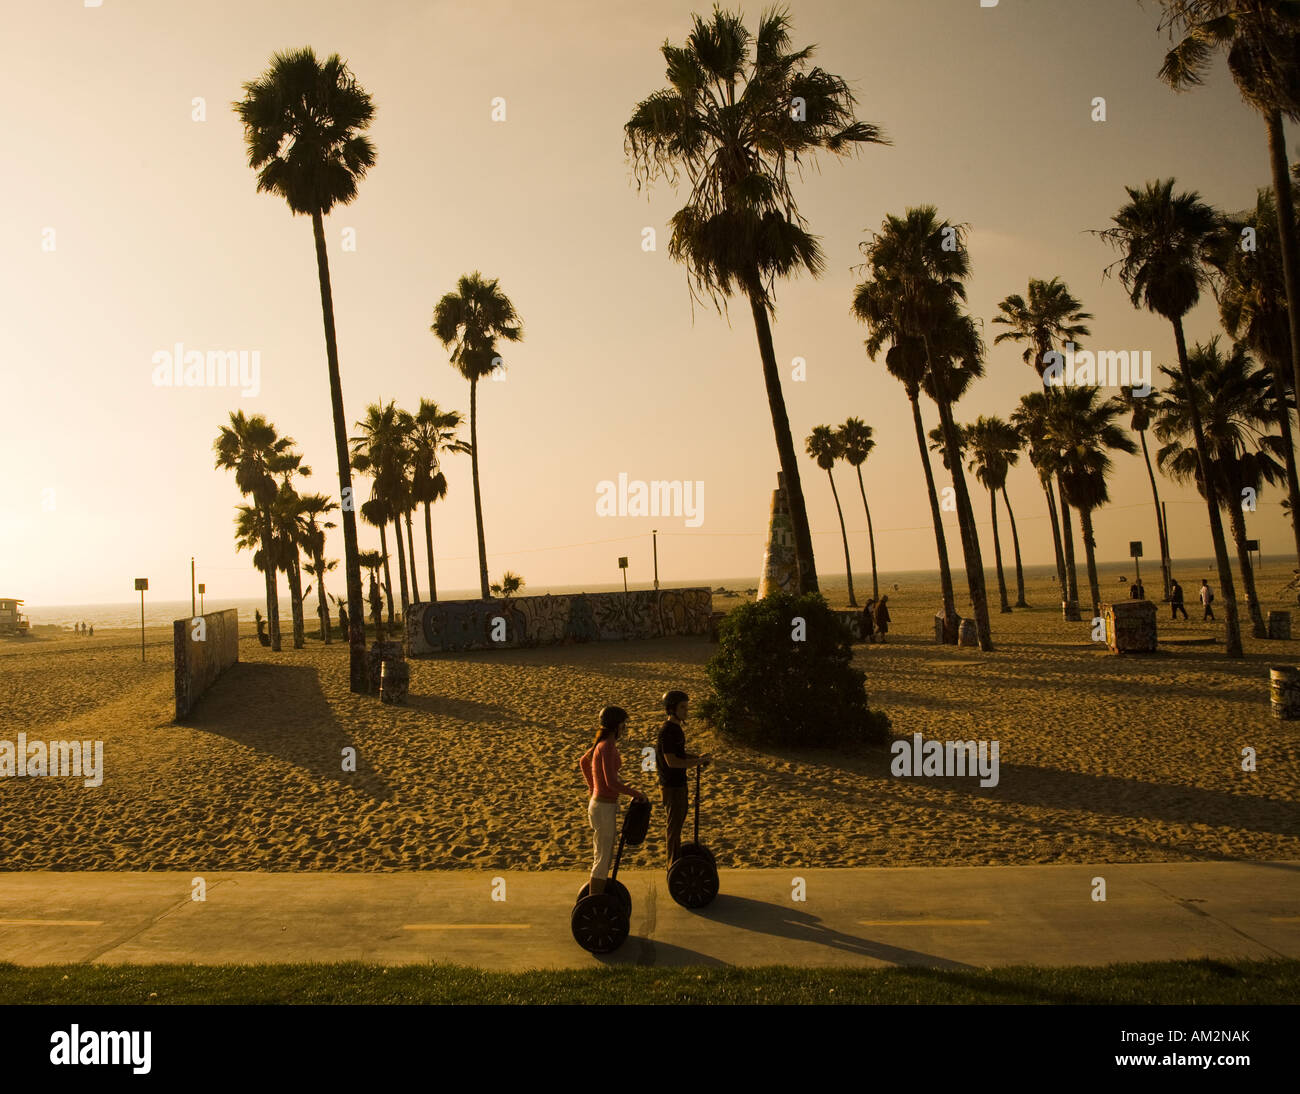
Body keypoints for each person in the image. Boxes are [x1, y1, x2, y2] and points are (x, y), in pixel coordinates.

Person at [579, 706, 646, 895]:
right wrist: (636, 793)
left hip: (600, 805)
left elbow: (584, 762)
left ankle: (596, 895)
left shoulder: (601, 743)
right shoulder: (607, 745)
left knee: (602, 856)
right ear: (616, 726)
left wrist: (593, 788)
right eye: (623, 725)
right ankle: (595, 899)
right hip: (603, 808)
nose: (624, 729)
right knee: (602, 858)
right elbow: (611, 781)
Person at [656, 690, 711, 865]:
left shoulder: (676, 729)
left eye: (687, 707)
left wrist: (697, 757)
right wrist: (697, 762)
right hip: (671, 787)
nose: (686, 711)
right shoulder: (667, 731)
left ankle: (675, 861)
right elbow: (672, 761)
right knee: (674, 829)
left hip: (679, 784)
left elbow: (679, 754)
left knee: (677, 827)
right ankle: (672, 865)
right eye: (682, 707)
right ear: (671, 709)